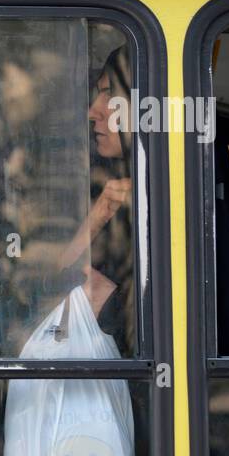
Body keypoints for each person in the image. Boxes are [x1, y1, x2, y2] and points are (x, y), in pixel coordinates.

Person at [57, 46, 136, 355]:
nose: (93, 111)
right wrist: (99, 214)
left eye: (108, 94)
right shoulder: (109, 189)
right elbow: (53, 290)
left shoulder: (172, 192)